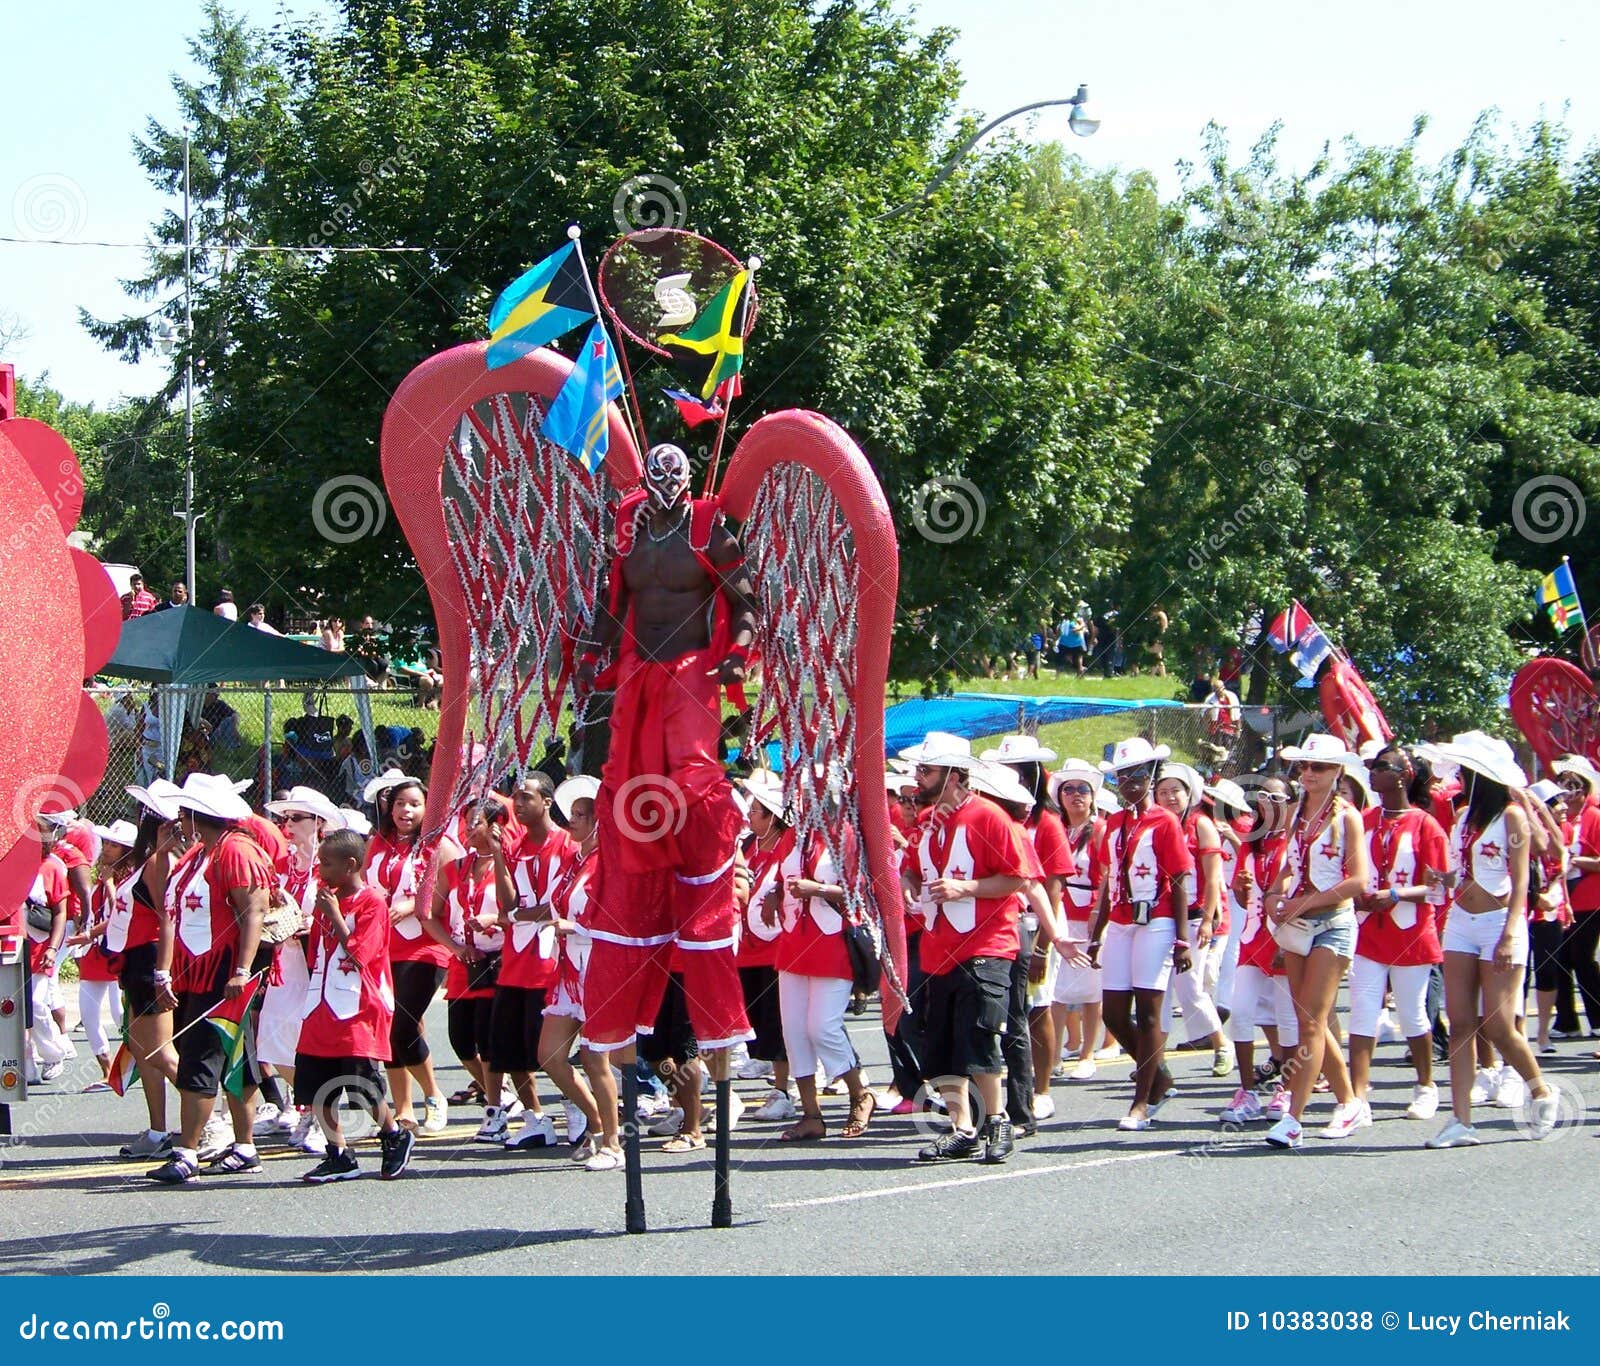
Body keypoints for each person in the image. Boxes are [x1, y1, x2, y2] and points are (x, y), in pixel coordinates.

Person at [575, 442, 757, 1173]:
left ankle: (708, 852)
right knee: (626, 783)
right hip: (635, 667)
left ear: (689, 485)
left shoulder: (713, 524)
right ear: (644, 486)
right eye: (654, 483)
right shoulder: (623, 525)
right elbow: (608, 600)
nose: (665, 492)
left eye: (675, 482)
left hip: (690, 667)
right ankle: (639, 878)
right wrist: (591, 652)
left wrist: (738, 652)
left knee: (690, 771)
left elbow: (746, 600)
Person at [1423, 732, 1560, 1147]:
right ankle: (1460, 1120)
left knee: (1498, 1025)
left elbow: (1520, 881)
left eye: (1467, 771)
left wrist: (1511, 932)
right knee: (1461, 1023)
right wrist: (1442, 879)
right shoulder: (1464, 818)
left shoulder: (1512, 816)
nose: (1460, 777)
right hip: (1461, 921)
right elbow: (1463, 869)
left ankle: (1540, 1090)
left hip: (1499, 921)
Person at [902, 734, 1029, 1163]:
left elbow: (1016, 878)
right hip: (938, 947)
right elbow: (910, 873)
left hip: (987, 944)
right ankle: (962, 1128)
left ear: (954, 775)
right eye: (920, 770)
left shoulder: (988, 817)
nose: (919, 778)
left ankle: (998, 1119)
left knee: (980, 1033)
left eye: (928, 771)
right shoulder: (925, 822)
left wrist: (965, 887)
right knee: (938, 1044)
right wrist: (907, 888)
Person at [146, 773, 276, 1184]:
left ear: (198, 816)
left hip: (224, 973)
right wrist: (166, 972)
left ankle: (187, 1152)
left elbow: (252, 910)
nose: (179, 822)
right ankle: (245, 1147)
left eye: (184, 814)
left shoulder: (235, 851)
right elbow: (173, 915)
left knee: (206, 1058)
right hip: (197, 974)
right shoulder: (199, 855)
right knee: (228, 1058)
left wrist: (241, 970)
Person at [1261, 735, 1370, 1149]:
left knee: (1310, 1022)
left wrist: (1303, 901)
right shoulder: (1294, 814)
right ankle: (1350, 1102)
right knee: (1313, 1020)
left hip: (1333, 923)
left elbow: (1358, 880)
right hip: (1298, 925)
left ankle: (1293, 1119)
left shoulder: (1348, 818)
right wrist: (1274, 895)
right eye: (1304, 766)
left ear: (1337, 771)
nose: (1308, 773)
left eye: (1319, 767)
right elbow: (1288, 867)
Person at [296, 828, 416, 1182]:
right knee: (315, 1081)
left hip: (356, 1006)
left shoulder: (371, 903)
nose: (321, 869)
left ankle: (392, 1135)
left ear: (350, 865)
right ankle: (339, 1152)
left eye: (327, 863)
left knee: (360, 1082)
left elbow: (361, 953)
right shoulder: (325, 899)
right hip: (320, 1003)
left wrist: (334, 915)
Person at [1086, 738, 1194, 1131]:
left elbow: (1180, 878)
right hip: (1120, 920)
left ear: (1151, 776)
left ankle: (1142, 1101)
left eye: (1137, 775)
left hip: (1158, 921)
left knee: (1148, 1013)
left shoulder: (1164, 821)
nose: (1130, 782)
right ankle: (1160, 1076)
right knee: (1113, 1014)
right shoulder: (1114, 823)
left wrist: (1183, 938)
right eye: (1122, 776)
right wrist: (1096, 935)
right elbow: (1106, 881)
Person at [1347, 743, 1447, 1120]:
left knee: (1412, 1014)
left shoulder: (1426, 824)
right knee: (1363, 1013)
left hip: (1412, 934)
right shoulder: (1363, 820)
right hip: (1367, 932)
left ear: (1404, 775)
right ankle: (1357, 1096)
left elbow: (1437, 887)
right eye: (1370, 766)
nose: (1372, 772)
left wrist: (1395, 894)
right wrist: (1356, 896)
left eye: (1380, 766)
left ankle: (1426, 1086)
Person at [766, 794, 874, 1142]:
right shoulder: (792, 835)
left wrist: (819, 889)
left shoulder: (845, 834)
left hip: (830, 943)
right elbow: (780, 874)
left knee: (822, 1027)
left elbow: (861, 891)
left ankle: (860, 1093)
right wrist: (772, 894)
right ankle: (811, 1114)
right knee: (795, 1031)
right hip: (793, 942)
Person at [980, 735, 1072, 1127]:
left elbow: (1051, 886)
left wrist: (1043, 947)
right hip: (1009, 919)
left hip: (1040, 922)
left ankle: (1042, 1089)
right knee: (1015, 1009)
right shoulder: (1001, 819)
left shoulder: (1046, 823)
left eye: (1018, 769)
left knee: (1037, 1009)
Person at [365, 771, 459, 1131]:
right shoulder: (379, 843)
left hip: (426, 946)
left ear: (428, 809)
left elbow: (458, 886)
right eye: (400, 803)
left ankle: (434, 1094)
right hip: (384, 947)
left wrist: (414, 903)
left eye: (415, 804)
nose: (405, 810)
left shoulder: (441, 845)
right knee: (394, 1027)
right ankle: (403, 1106)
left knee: (400, 1026)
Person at [488, 774, 577, 1151]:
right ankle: (535, 1118)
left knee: (552, 1051)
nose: (518, 804)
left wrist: (523, 915)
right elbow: (508, 906)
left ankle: (577, 1108)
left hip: (552, 961)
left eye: (526, 797)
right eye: (515, 798)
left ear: (546, 800)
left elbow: (561, 902)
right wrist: (496, 854)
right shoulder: (516, 846)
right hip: (516, 961)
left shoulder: (568, 844)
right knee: (510, 1050)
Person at [255, 786, 344, 1152]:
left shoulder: (331, 864)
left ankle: (323, 1118)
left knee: (315, 1042)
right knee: (274, 1042)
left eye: (296, 818)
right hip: (286, 961)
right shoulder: (285, 867)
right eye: (285, 818)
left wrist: (313, 923)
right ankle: (308, 1106)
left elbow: (347, 909)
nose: (287, 825)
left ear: (318, 823)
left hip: (320, 962)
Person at [536, 776, 615, 1169]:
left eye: (582, 816)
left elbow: (621, 920)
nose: (572, 822)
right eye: (572, 815)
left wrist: (579, 928)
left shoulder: (612, 865)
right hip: (567, 966)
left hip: (596, 964)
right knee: (549, 1055)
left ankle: (614, 1143)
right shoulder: (573, 860)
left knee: (594, 1056)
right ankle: (597, 1123)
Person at [111, 781, 186, 1157]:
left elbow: (167, 918)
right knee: (143, 1051)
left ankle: (211, 1120)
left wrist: (163, 972)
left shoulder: (161, 861)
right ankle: (158, 1131)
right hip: (136, 960)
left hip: (151, 959)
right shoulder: (150, 859)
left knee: (160, 1051)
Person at [1218, 775, 1298, 1124]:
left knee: (1288, 1018)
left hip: (1286, 940)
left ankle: (1287, 1090)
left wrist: (1287, 939)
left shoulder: (1296, 842)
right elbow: (1240, 893)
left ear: (1291, 803)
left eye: (1277, 797)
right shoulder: (1252, 842)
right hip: (1252, 938)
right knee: (1242, 1011)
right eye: (1263, 795)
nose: (1267, 802)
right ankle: (1247, 1090)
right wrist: (1240, 888)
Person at [425, 797, 508, 1132]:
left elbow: (518, 911)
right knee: (460, 1041)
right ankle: (496, 1089)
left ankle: (495, 1109)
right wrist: (455, 947)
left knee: (488, 1041)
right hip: (464, 961)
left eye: (475, 820)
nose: (467, 827)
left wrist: (495, 920)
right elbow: (429, 915)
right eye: (464, 819)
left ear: (495, 825)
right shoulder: (455, 868)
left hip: (497, 959)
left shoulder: (508, 863)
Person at [1152, 762, 1232, 1078]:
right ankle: (1155, 1060)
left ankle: (1220, 1044)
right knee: (1157, 988)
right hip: (1162, 917)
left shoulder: (1201, 825)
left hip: (1196, 916)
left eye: (1176, 791)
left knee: (1190, 987)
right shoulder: (1156, 825)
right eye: (1163, 792)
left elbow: (1213, 879)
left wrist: (1210, 920)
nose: (1170, 798)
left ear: (1189, 794)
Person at [735, 771, 798, 1121]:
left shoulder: (788, 847)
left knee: (778, 1025)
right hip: (746, 951)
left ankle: (783, 1091)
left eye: (756, 809)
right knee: (758, 1024)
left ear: (772, 816)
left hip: (776, 952)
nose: (749, 814)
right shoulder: (748, 847)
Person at [71, 821, 141, 1090]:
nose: (108, 849)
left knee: (120, 1012)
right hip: (96, 952)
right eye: (107, 843)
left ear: (127, 849)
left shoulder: (132, 876)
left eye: (114, 845)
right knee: (89, 1014)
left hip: (118, 952)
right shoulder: (101, 872)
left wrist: (110, 882)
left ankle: (135, 1065)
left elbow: (118, 914)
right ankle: (106, 1069)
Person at [1048, 762, 1107, 1081]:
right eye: (1068, 789)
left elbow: (1106, 877)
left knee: (1089, 989)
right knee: (1055, 990)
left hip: (1089, 915)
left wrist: (1099, 918)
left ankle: (1087, 1053)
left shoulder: (1099, 830)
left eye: (1082, 789)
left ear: (1092, 795)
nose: (1075, 796)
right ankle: (1054, 1053)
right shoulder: (1056, 828)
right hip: (1060, 913)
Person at [1552, 754, 1600, 1041]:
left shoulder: (1595, 815)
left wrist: (1576, 860)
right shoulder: (1561, 815)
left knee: (1582, 957)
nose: (1566, 790)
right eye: (1562, 784)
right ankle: (1567, 1021)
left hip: (1590, 898)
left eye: (1571, 785)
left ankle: (1596, 1018)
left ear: (1583, 788)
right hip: (1565, 897)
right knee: (1560, 959)